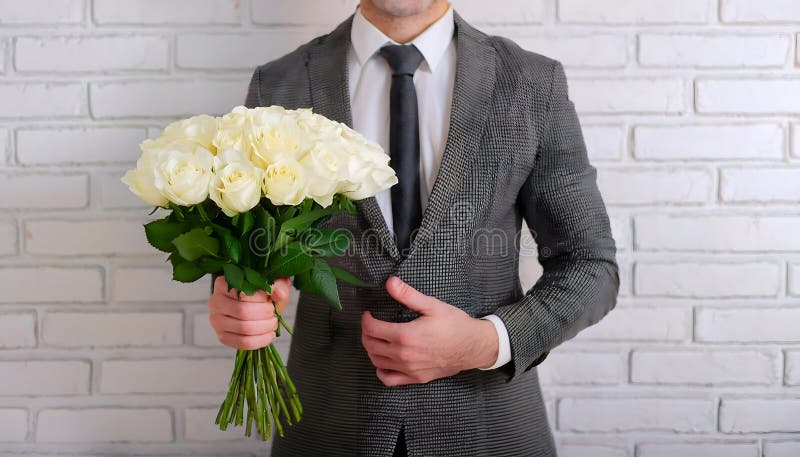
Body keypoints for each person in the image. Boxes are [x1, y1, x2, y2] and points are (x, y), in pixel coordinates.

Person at [207, 0, 620, 455]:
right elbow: (248, 250)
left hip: (489, 426)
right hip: (330, 423)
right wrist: (237, 296)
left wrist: (488, 342)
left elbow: (589, 263)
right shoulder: (279, 83)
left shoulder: (532, 83)